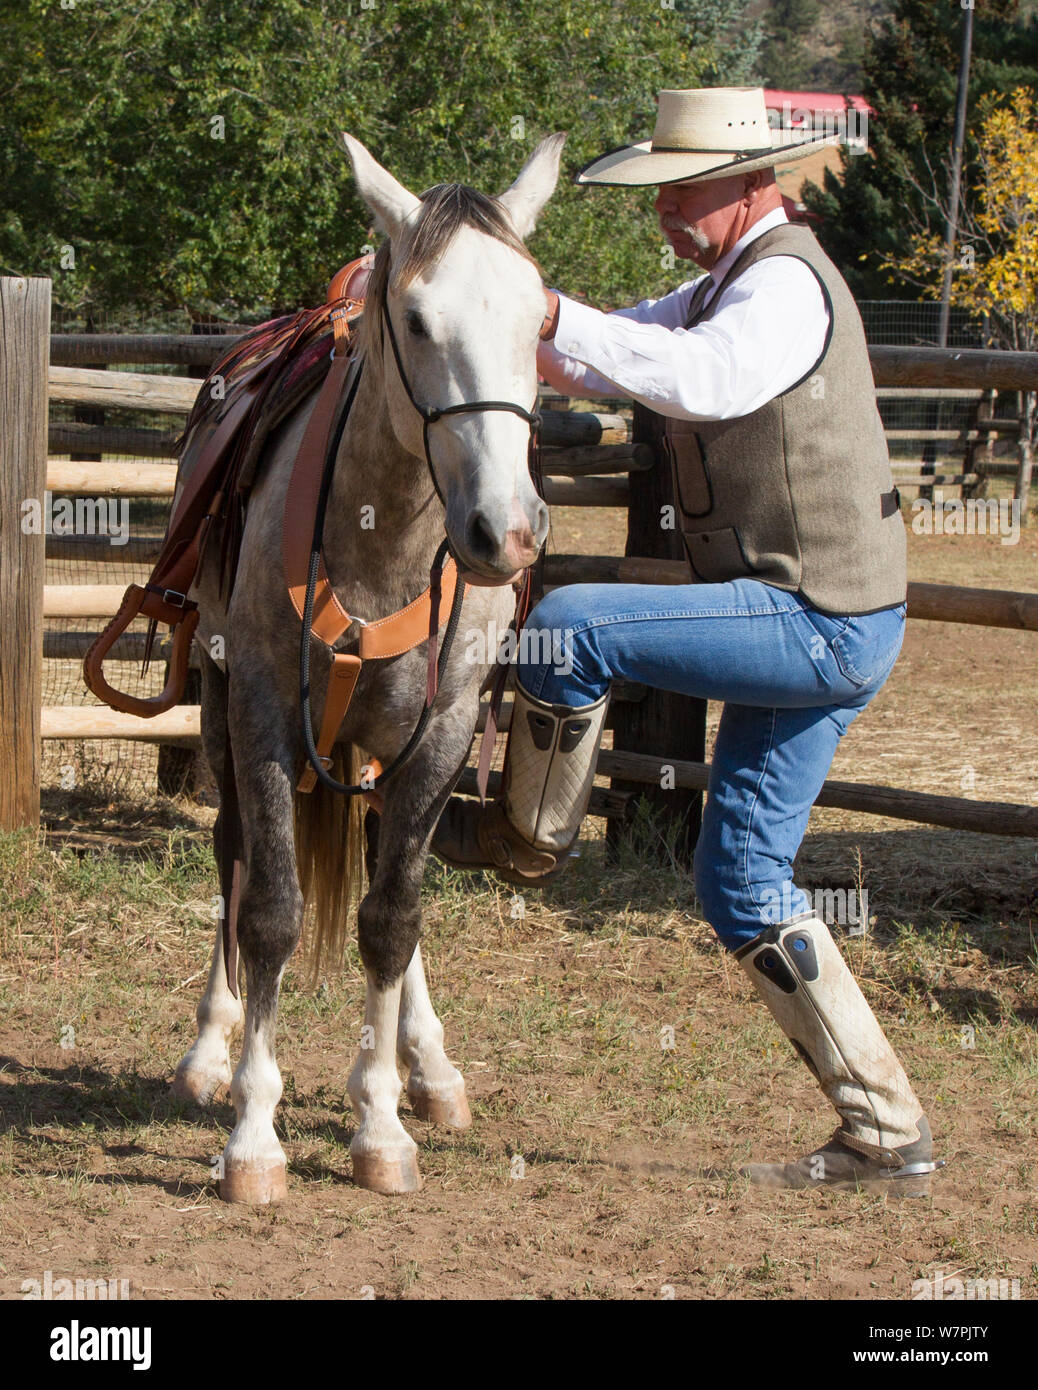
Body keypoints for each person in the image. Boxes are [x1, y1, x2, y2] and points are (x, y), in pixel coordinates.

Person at [432, 87, 941, 1194]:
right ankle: (886, 1130)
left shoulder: (782, 289)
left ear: (752, 185)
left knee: (565, 629)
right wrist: (499, 321)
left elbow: (701, 378)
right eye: (659, 193)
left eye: (683, 191)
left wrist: (561, 316)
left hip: (815, 620)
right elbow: (607, 361)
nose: (664, 211)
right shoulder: (726, 282)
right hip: (817, 617)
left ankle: (521, 845)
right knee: (743, 888)